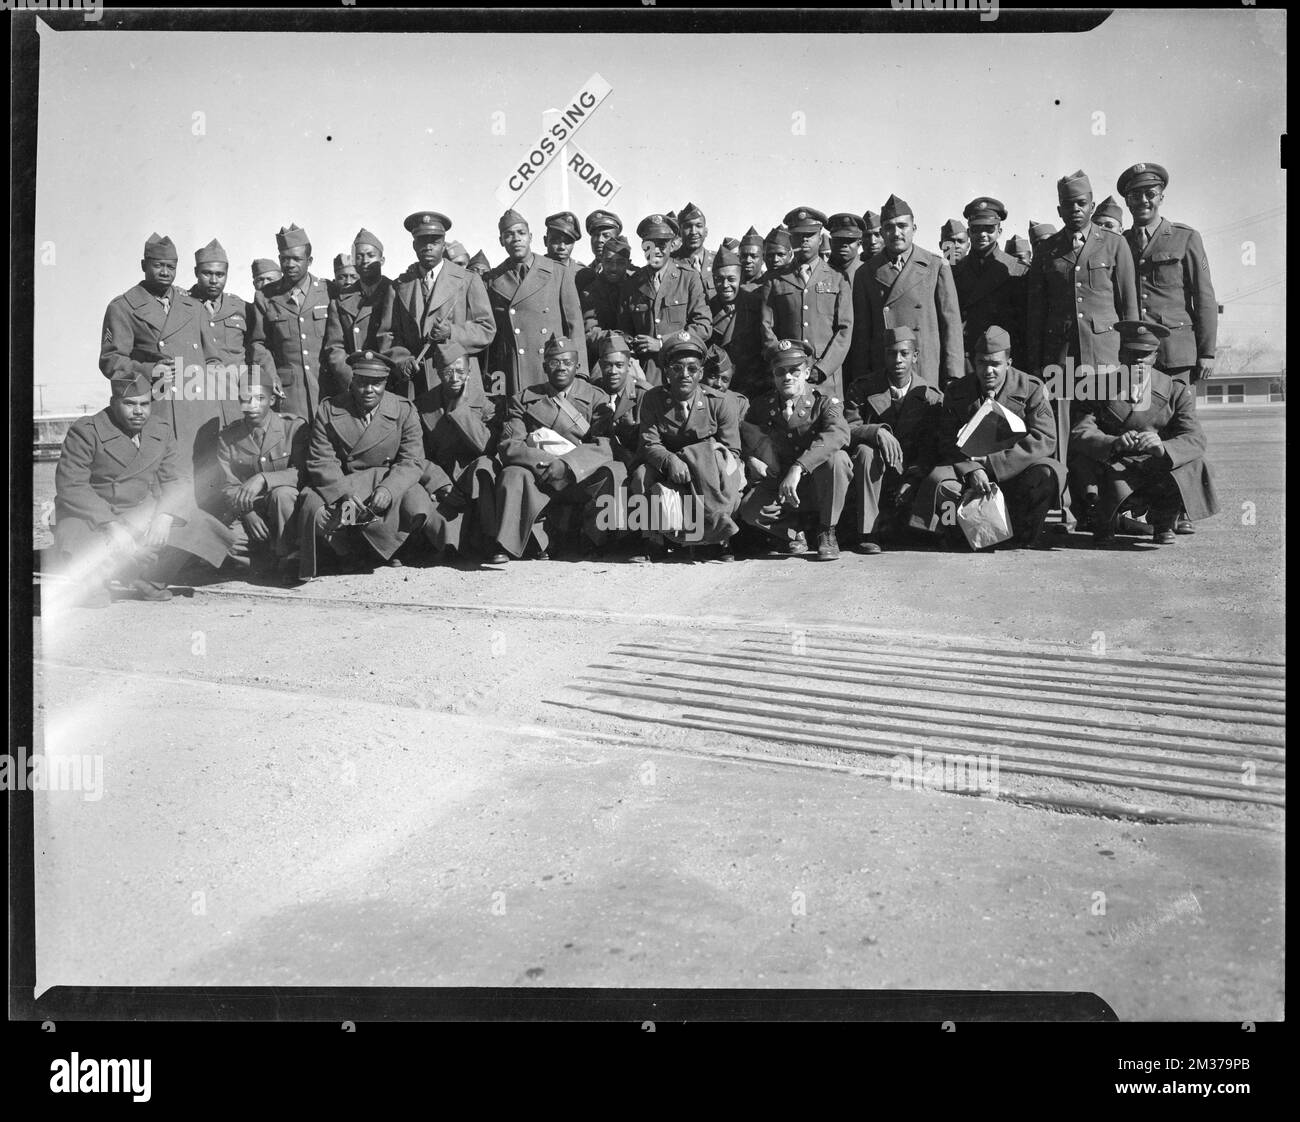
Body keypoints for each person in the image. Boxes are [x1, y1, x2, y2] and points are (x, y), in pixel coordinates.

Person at [52, 365, 234, 607]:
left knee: (198, 523)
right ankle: (102, 577)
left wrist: (166, 515)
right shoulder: (86, 431)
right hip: (91, 515)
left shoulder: (160, 429)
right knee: (94, 595)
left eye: (144, 404)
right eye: (130, 404)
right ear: (113, 402)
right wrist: (113, 526)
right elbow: (71, 486)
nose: (138, 411)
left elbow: (177, 478)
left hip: (137, 512)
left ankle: (149, 580)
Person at [1026, 170, 1138, 526]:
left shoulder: (1114, 244)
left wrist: (1132, 359)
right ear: (1059, 210)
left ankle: (1110, 508)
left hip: (1104, 357)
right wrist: (1036, 365)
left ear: (1091, 204)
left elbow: (1129, 307)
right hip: (1060, 360)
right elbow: (1035, 315)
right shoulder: (1047, 250)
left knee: (1103, 433)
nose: (1075, 209)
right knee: (1062, 433)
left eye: (1081, 203)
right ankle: (1067, 507)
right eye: (1068, 204)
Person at [100, 232, 224, 509]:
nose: (165, 272)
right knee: (161, 483)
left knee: (202, 482)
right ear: (143, 265)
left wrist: (212, 390)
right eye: (158, 265)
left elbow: (213, 358)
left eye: (171, 266)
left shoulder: (193, 307)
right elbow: (110, 360)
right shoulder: (122, 307)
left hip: (197, 409)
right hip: (156, 406)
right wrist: (148, 370)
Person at [1070, 319, 1219, 546]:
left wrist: (1163, 447)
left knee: (1195, 462)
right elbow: (1081, 431)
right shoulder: (1096, 388)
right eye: (1132, 354)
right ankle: (1105, 518)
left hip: (1154, 466)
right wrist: (1113, 442)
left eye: (1146, 355)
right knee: (1081, 459)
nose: (1139, 361)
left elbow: (1194, 438)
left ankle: (1164, 521)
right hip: (1115, 466)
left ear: (1155, 357)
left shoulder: (1175, 390)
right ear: (1120, 355)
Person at [918, 326, 1064, 550]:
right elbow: (946, 439)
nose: (988, 371)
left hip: (1015, 471)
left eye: (995, 364)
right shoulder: (957, 391)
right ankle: (961, 534)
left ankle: (1025, 534)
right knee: (938, 480)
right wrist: (971, 470)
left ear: (1009, 362)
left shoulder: (1031, 388)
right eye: (982, 363)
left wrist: (993, 464)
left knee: (1048, 472)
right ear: (974, 363)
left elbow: (1044, 437)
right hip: (970, 473)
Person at [296, 348, 435, 580]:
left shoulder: (404, 409)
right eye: (362, 382)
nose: (369, 390)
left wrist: (388, 490)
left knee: (416, 502)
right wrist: (344, 494)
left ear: (386, 383)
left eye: (377, 383)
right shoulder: (330, 410)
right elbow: (321, 460)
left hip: (386, 482)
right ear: (353, 380)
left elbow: (412, 460)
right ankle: (348, 552)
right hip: (347, 486)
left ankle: (393, 549)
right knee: (315, 509)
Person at [486, 335, 623, 563]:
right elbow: (510, 445)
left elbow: (604, 443)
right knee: (512, 474)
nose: (561, 368)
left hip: (579, 475)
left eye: (567, 363)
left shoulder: (596, 398)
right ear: (544, 366)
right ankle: (511, 542)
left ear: (577, 366)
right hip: (541, 474)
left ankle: (593, 539)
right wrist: (546, 463)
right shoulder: (523, 399)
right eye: (554, 362)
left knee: (614, 471)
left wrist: (566, 465)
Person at [1118, 161, 1218, 432]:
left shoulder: (1186, 238)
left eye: (1150, 193)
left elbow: (1205, 297)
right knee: (1138, 427)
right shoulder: (1120, 242)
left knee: (1180, 428)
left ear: (1161, 196)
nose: (1143, 201)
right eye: (1135, 195)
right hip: (1135, 355)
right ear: (1127, 201)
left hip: (1175, 354)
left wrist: (1206, 352)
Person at [632, 333, 743, 562]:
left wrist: (701, 462)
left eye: (692, 369)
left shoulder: (719, 402)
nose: (684, 375)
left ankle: (719, 539)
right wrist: (671, 461)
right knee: (641, 475)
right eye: (677, 367)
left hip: (710, 471)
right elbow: (649, 443)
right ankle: (654, 540)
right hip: (670, 470)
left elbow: (733, 451)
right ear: (667, 372)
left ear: (701, 373)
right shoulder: (653, 399)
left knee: (733, 475)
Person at [739, 338, 852, 561]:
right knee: (750, 511)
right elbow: (746, 437)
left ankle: (826, 531)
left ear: (807, 372)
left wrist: (799, 467)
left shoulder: (825, 403)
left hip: (819, 485)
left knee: (838, 459)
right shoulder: (762, 406)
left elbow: (837, 435)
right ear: (773, 375)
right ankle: (794, 532)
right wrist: (751, 458)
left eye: (794, 371)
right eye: (780, 372)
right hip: (782, 488)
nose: (787, 377)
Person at [843, 326, 944, 554]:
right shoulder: (863, 388)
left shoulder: (930, 396)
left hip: (910, 476)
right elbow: (845, 430)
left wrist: (914, 477)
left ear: (915, 356)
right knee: (865, 452)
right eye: (891, 353)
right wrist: (876, 431)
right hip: (873, 475)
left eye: (904, 353)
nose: (897, 359)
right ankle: (867, 532)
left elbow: (932, 447)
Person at [849, 194, 964, 392]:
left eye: (902, 226)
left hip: (926, 367)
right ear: (882, 232)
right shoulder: (865, 273)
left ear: (914, 229)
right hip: (884, 368)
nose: (896, 233)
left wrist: (954, 376)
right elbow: (862, 335)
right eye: (889, 227)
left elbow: (951, 327)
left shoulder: (936, 266)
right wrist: (861, 379)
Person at [391, 210, 496, 400]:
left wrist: (452, 332)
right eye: (423, 241)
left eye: (435, 241)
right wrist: (401, 359)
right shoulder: (400, 285)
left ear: (443, 243)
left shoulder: (467, 279)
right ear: (414, 244)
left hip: (458, 382)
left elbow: (487, 329)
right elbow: (389, 333)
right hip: (416, 385)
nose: (428, 247)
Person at [483, 209, 587, 397]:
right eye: (509, 235)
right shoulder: (492, 280)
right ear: (501, 241)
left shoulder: (557, 272)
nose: (516, 239)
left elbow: (575, 326)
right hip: (513, 373)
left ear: (530, 237)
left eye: (521, 233)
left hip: (553, 370)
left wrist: (579, 374)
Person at [215, 366, 308, 575]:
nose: (251, 406)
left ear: (272, 401)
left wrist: (264, 478)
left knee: (281, 494)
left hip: (287, 512)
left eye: (259, 399)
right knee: (223, 542)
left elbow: (303, 472)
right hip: (251, 511)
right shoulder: (228, 437)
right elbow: (226, 483)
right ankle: (269, 563)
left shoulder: (292, 428)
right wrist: (246, 512)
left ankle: (289, 555)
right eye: (245, 400)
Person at [414, 341, 500, 559]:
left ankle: (492, 540)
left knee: (485, 467)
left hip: (475, 481)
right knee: (447, 547)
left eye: (461, 371)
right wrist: (438, 483)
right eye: (447, 371)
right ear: (437, 372)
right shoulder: (422, 406)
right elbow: (416, 454)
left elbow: (485, 445)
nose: (454, 378)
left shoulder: (487, 404)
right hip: (442, 480)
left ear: (470, 372)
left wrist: (461, 410)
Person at [759, 206, 854, 400]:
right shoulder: (775, 280)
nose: (804, 240)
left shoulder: (837, 279)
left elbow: (844, 330)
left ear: (820, 239)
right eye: (798, 235)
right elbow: (766, 326)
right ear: (791, 239)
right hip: (789, 377)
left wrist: (823, 368)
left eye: (810, 235)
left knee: (829, 426)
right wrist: (783, 362)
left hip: (826, 379)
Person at [246, 223, 332, 422]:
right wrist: (270, 374)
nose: (290, 264)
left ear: (309, 260)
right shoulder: (266, 296)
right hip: (289, 393)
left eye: (296, 259)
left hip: (327, 387)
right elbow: (259, 343)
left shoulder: (328, 291)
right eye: (285, 259)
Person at [618, 213, 711, 386]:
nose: (656, 250)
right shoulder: (632, 283)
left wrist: (662, 343)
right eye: (650, 245)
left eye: (662, 244)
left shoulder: (688, 278)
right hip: (645, 375)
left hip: (682, 372)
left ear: (672, 245)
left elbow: (703, 326)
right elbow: (624, 330)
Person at [323, 227, 399, 399]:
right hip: (356, 383)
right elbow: (335, 348)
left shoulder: (396, 292)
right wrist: (353, 380)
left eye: (371, 255)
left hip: (390, 381)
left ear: (382, 260)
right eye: (359, 256)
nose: (365, 260)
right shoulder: (340, 300)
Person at [951, 197, 1028, 366]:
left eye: (989, 229)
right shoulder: (954, 271)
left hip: (1003, 361)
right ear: (969, 232)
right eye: (976, 229)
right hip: (968, 361)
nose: (982, 234)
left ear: (999, 231)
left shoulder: (1017, 270)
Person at [580, 234, 635, 368]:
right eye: (609, 262)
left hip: (636, 355)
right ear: (601, 261)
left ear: (628, 263)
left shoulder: (637, 287)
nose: (614, 268)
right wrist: (616, 338)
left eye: (620, 263)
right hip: (604, 358)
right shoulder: (590, 292)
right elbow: (590, 333)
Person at [593, 331, 645, 468]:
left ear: (628, 366)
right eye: (607, 365)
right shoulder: (593, 392)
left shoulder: (642, 395)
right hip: (600, 462)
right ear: (600, 365)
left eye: (619, 365)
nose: (613, 371)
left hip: (636, 463)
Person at [672, 202, 717, 301]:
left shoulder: (718, 261)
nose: (693, 232)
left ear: (706, 231)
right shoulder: (669, 262)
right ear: (680, 232)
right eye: (688, 226)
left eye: (699, 226)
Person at [574, 209, 623, 292]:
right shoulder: (581, 275)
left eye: (606, 236)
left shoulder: (630, 274)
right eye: (595, 235)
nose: (599, 240)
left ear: (617, 240)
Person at [827, 212, 866, 287]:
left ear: (859, 243)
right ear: (830, 242)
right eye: (838, 240)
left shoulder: (869, 273)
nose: (843, 244)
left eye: (849, 240)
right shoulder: (818, 273)